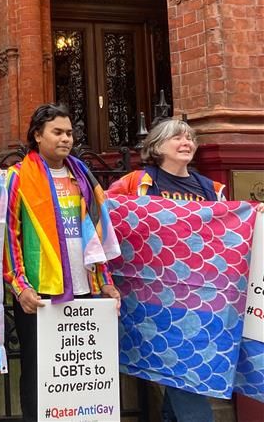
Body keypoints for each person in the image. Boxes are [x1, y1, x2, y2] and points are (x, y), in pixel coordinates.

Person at [107, 117, 264, 422]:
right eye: (176, 137)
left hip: (202, 299)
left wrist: (254, 215)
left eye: (190, 138)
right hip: (153, 298)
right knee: (183, 376)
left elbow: (228, 235)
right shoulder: (135, 184)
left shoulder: (211, 189)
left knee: (184, 373)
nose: (186, 142)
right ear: (156, 146)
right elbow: (110, 219)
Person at [3, 103, 121, 422]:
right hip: (39, 292)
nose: (66, 138)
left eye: (69, 132)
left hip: (85, 287)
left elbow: (97, 230)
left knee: (79, 372)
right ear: (37, 135)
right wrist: (20, 286)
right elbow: (9, 235)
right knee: (39, 369)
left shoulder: (82, 174)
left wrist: (106, 281)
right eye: (57, 132)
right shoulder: (17, 177)